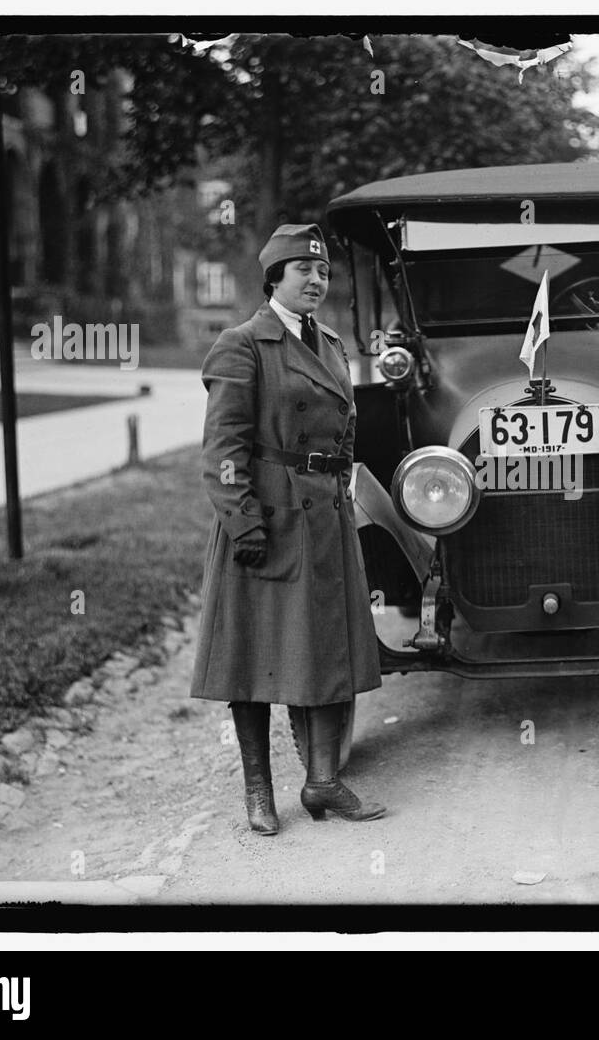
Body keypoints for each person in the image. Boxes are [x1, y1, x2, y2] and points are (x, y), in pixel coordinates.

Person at [191, 223, 384, 835]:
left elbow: (347, 430)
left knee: (327, 651)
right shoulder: (243, 344)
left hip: (324, 518)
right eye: (303, 270)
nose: (316, 281)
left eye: (323, 272)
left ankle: (323, 784)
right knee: (251, 658)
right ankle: (257, 791)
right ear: (274, 277)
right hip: (266, 519)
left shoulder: (330, 344)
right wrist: (243, 521)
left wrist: (343, 486)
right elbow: (224, 447)